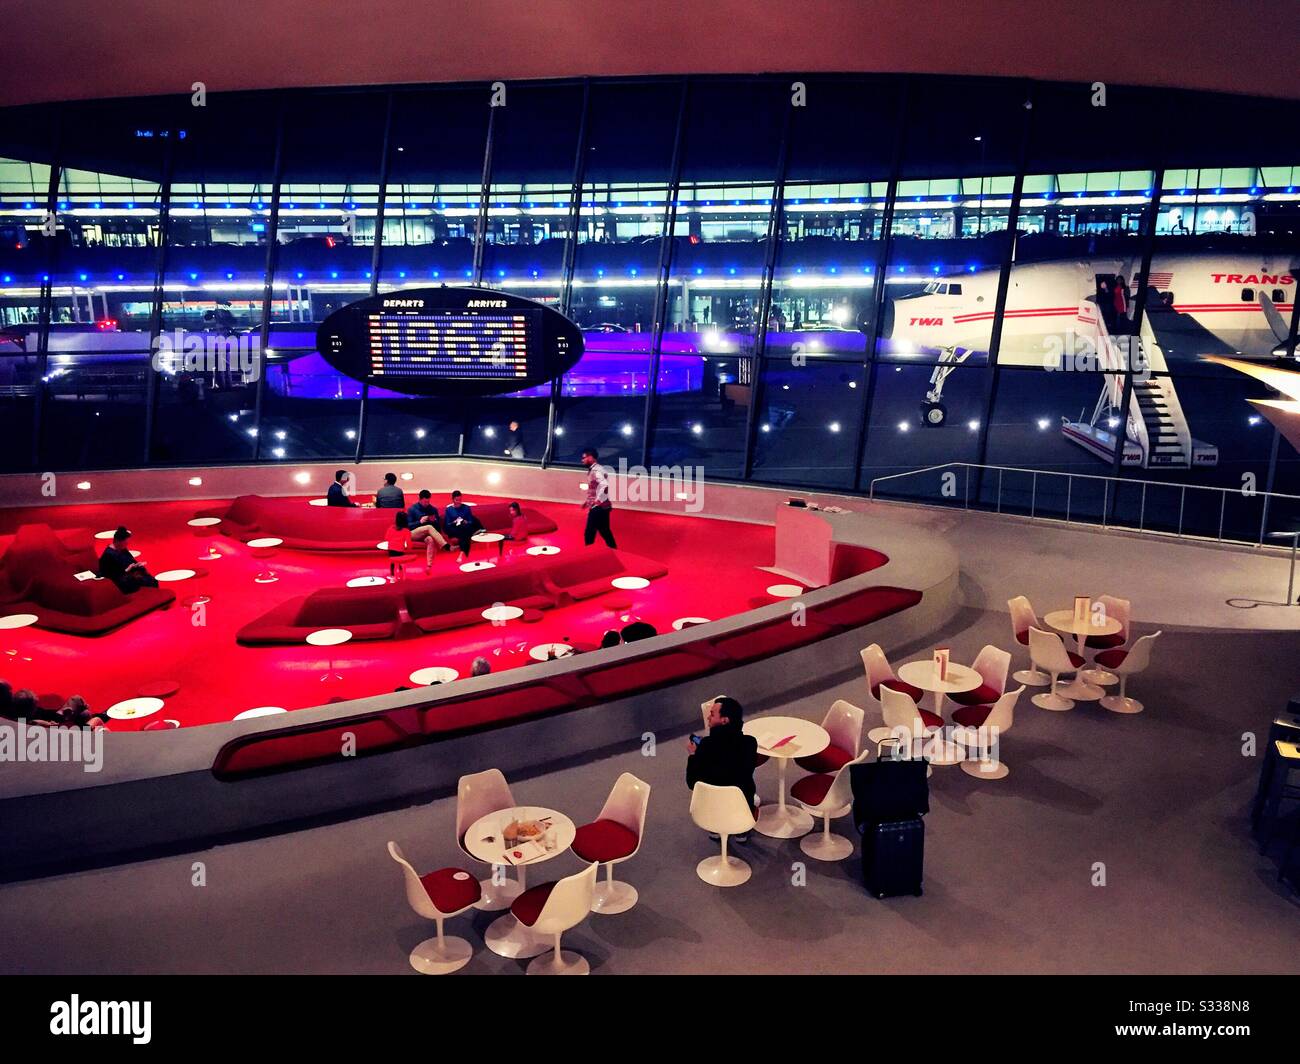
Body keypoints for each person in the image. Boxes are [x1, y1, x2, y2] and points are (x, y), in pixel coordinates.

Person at [686, 696, 759, 840]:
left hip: (710, 813)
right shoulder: (750, 743)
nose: (708, 717)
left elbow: (691, 783)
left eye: (712, 714)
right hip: (741, 811)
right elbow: (746, 773)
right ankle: (741, 831)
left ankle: (714, 829)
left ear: (724, 720)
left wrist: (693, 755)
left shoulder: (704, 747)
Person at [98, 527, 159, 593]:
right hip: (120, 581)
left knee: (151, 580)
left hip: (129, 574)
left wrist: (137, 565)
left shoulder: (122, 549)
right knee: (145, 582)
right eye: (125, 543)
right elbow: (112, 576)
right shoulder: (108, 555)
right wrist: (127, 570)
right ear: (118, 541)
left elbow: (131, 560)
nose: (126, 545)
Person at [580, 446, 617, 548]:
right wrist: (587, 502)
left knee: (589, 533)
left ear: (591, 457)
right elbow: (595, 488)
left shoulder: (597, 471)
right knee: (604, 530)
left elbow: (604, 485)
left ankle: (588, 554)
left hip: (598, 508)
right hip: (603, 507)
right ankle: (614, 550)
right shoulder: (596, 469)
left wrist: (597, 501)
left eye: (584, 458)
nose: (582, 460)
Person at [406, 490, 447, 567]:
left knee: (430, 539)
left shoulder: (433, 509)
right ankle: (445, 545)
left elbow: (438, 529)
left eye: (428, 502)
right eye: (425, 502)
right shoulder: (412, 509)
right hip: (414, 533)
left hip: (426, 535)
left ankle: (429, 565)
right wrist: (420, 522)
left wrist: (434, 521)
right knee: (428, 527)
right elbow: (408, 526)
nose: (426, 504)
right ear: (419, 499)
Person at [444, 490, 482, 561]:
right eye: (456, 500)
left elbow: (471, 521)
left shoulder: (466, 508)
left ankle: (461, 553)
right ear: (453, 499)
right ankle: (464, 551)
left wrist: (465, 521)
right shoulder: (449, 510)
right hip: (454, 528)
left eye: (460, 500)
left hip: (465, 527)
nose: (458, 502)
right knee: (465, 531)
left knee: (464, 530)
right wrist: (454, 522)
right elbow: (447, 524)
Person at [387, 511, 412, 581]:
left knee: (392, 562)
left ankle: (392, 575)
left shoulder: (391, 528)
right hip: (400, 550)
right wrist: (408, 549)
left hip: (391, 549)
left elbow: (387, 538)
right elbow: (409, 543)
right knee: (401, 561)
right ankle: (401, 574)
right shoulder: (406, 531)